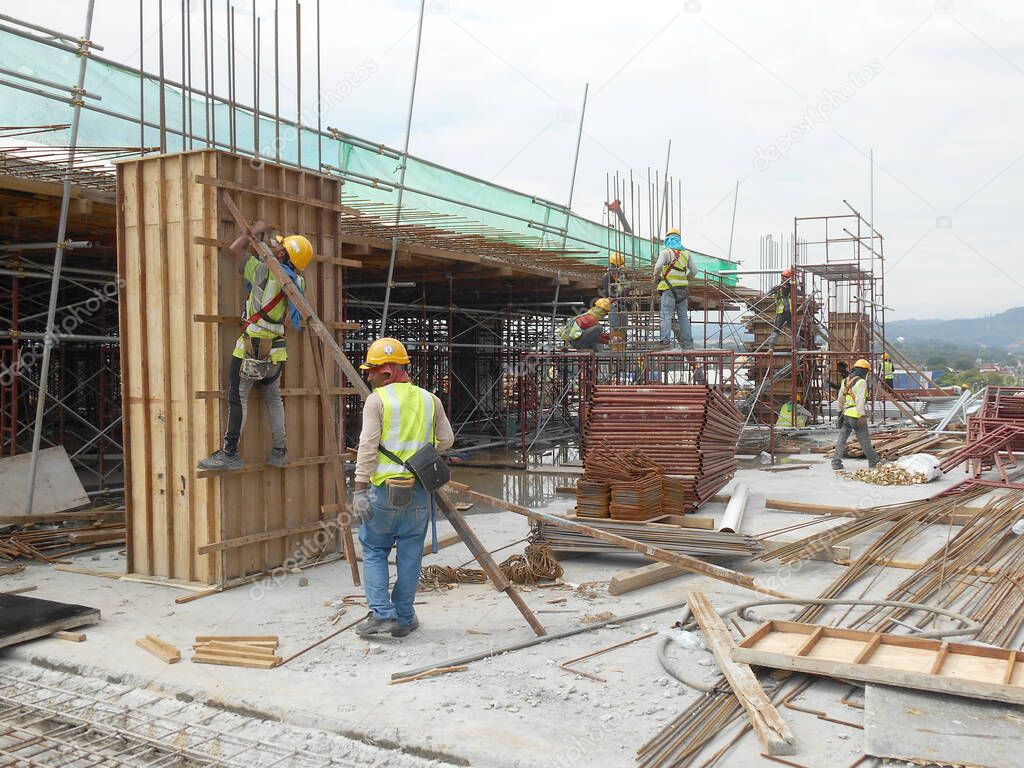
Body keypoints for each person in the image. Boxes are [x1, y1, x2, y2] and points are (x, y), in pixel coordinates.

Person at [352, 337, 454, 638]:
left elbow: (367, 448)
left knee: (374, 549)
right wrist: (422, 450)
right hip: (420, 492)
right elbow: (447, 440)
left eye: (372, 371)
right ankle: (405, 617)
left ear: (389, 372)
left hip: (384, 491)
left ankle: (383, 615)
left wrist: (359, 490)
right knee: (410, 555)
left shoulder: (377, 400)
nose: (368, 377)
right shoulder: (429, 400)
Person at [198, 223, 313, 471]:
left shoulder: (263, 271)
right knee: (273, 399)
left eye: (280, 245)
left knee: (238, 397)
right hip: (277, 351)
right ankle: (279, 451)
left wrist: (253, 231)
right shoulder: (298, 282)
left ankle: (229, 453)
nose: (276, 245)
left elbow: (235, 249)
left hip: (251, 347)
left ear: (283, 255)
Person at [832, 358, 882, 470]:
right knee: (864, 441)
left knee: (841, 439)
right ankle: (874, 462)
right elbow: (859, 400)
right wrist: (862, 415)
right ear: (864, 371)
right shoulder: (861, 382)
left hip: (846, 414)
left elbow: (840, 398)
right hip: (856, 416)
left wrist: (839, 412)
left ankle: (836, 462)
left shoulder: (845, 381)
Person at [652, 229, 696, 350]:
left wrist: (656, 276)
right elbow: (694, 271)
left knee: (666, 315)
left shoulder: (666, 252)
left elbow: (658, 267)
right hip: (682, 290)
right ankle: (688, 344)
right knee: (683, 317)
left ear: (667, 239)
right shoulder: (686, 254)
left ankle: (665, 342)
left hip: (669, 289)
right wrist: (686, 278)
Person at [602, 252, 628, 348]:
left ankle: (622, 347)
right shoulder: (607, 277)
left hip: (622, 305)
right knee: (615, 327)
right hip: (613, 306)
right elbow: (610, 294)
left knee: (623, 328)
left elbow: (625, 288)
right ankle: (616, 348)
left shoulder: (621, 276)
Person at [765, 268, 794, 347]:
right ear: (782, 277)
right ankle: (771, 345)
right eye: (785, 277)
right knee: (776, 329)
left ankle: (797, 346)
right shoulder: (778, 288)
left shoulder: (791, 288)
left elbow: (801, 293)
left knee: (794, 330)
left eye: (787, 277)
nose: (786, 279)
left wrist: (801, 286)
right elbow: (767, 294)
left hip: (789, 313)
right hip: (781, 313)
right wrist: (774, 289)